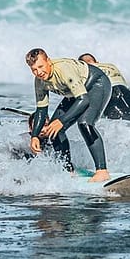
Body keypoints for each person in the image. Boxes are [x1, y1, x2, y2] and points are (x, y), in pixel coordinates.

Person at [25, 48, 112, 182]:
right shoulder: (39, 81)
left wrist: (61, 121)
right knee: (53, 130)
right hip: (77, 94)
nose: (39, 72)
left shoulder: (63, 70)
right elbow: (41, 110)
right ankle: (68, 169)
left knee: (84, 123)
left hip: (96, 84)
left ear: (48, 61)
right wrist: (35, 135)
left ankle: (102, 171)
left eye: (41, 66)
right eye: (34, 70)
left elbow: (84, 100)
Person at [77, 53, 130, 121]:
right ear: (97, 62)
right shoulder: (111, 66)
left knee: (119, 123)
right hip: (126, 92)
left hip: (108, 94)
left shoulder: (85, 69)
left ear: (82, 64)